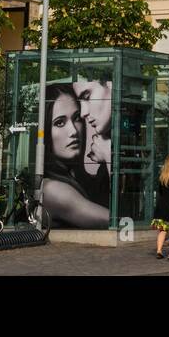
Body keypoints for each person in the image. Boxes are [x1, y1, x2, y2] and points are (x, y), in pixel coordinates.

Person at [41, 83, 110, 229]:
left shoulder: (81, 179)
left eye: (77, 118)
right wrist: (109, 156)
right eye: (59, 123)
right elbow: (117, 221)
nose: (73, 131)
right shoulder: (52, 190)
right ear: (45, 131)